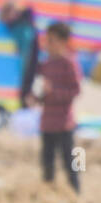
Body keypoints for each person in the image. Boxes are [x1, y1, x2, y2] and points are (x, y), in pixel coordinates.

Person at [30, 21, 82, 193]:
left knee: (71, 161)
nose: (47, 44)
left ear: (62, 42)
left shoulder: (69, 63)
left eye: (51, 40)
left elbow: (75, 90)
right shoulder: (46, 64)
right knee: (47, 161)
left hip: (64, 123)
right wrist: (35, 97)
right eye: (46, 40)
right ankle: (48, 192)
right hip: (47, 122)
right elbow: (40, 89)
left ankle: (76, 192)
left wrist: (53, 92)